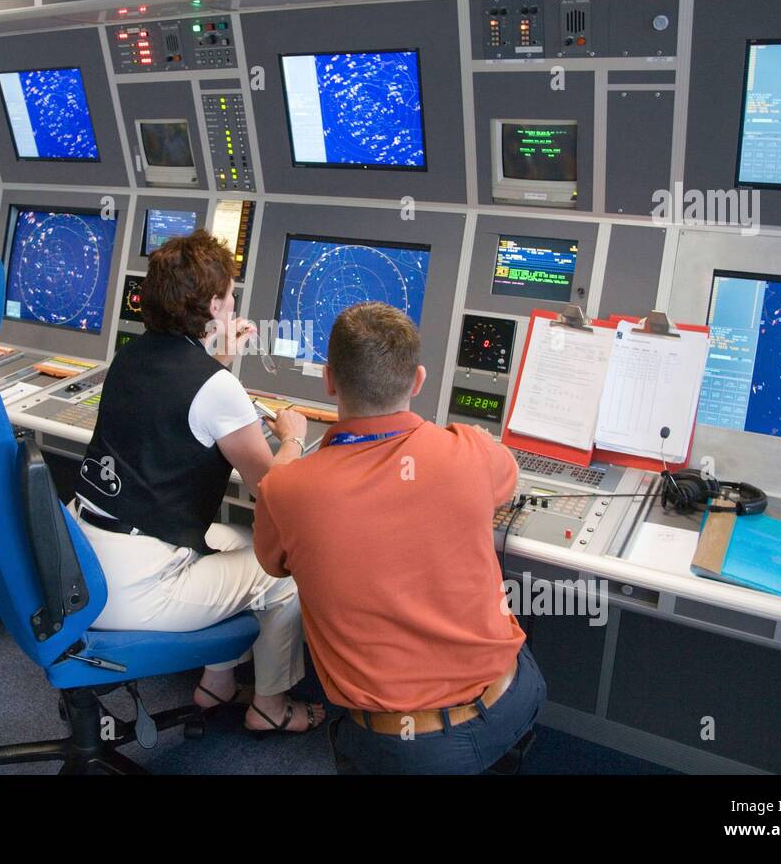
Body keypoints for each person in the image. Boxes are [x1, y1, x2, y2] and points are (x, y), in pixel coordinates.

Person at [253, 302, 546, 773]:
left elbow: (272, 564)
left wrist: (289, 444)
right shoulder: (470, 450)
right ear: (419, 381)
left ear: (329, 380)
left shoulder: (286, 489)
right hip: (513, 700)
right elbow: (505, 472)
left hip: (405, 749)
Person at [74, 230, 324, 735]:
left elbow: (182, 400)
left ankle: (217, 685)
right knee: (283, 570)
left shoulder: (131, 354)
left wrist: (220, 364)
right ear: (214, 304)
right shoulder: (215, 387)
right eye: (231, 296)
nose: (234, 304)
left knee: (243, 540)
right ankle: (270, 709)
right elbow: (274, 492)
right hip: (139, 585)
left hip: (85, 557)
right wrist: (293, 438)